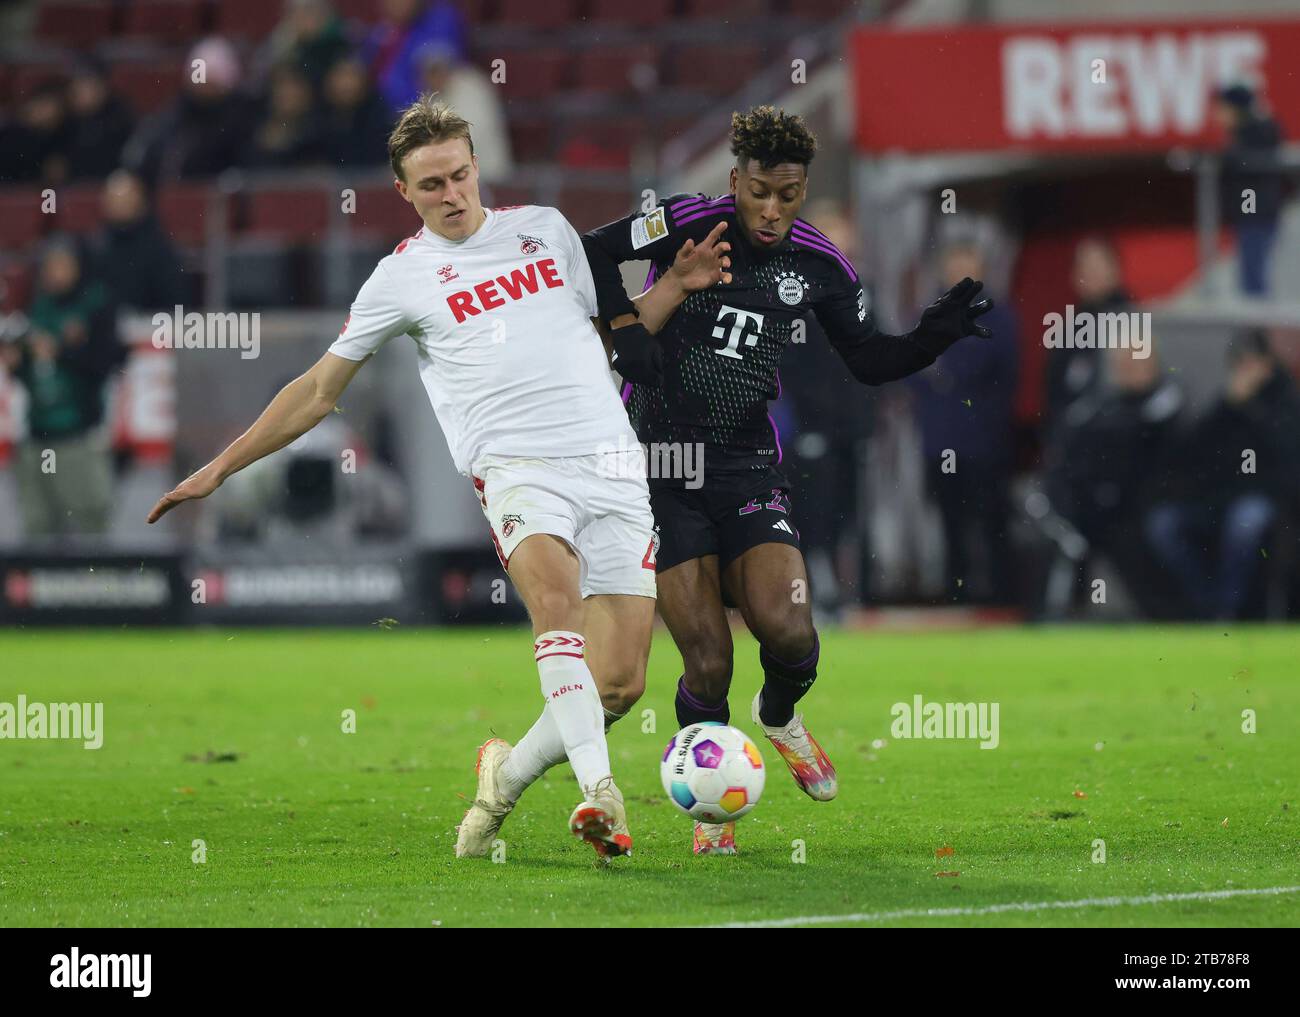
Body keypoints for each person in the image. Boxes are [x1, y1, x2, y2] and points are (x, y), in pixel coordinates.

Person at [145, 95, 728, 862]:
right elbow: (318, 390)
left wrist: (675, 287)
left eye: (458, 176)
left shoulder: (547, 232)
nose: (450, 195)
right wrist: (220, 467)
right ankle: (602, 795)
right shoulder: (402, 278)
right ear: (403, 191)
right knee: (554, 602)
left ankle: (504, 775)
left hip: (613, 465)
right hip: (517, 466)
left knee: (619, 683)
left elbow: (607, 338)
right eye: (431, 185)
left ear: (477, 167)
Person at [581, 105, 993, 854]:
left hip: (744, 463)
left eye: (790, 194)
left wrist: (936, 331)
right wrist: (626, 333)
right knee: (707, 654)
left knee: (792, 628)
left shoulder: (820, 263)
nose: (772, 210)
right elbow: (591, 251)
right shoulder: (681, 220)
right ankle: (712, 815)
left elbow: (868, 360)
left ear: (804, 189)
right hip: (659, 465)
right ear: (736, 179)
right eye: (761, 190)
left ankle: (779, 717)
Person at [1145, 331, 1300, 619]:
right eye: (1240, 364)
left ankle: (1231, 609)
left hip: (1267, 501)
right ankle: (1208, 603)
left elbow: (1286, 457)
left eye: (1253, 363)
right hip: (1216, 501)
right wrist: (1227, 405)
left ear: (1269, 364)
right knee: (1164, 525)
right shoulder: (1223, 406)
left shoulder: (1286, 404)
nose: (1246, 372)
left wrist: (1251, 408)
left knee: (1246, 522)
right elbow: (1191, 452)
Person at [908, 239, 1018, 604]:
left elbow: (1000, 375)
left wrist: (945, 374)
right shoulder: (927, 317)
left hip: (984, 443)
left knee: (991, 524)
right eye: (954, 265)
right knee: (950, 523)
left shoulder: (999, 318)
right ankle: (960, 597)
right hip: (939, 441)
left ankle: (1001, 597)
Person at [3, 236, 124, 538]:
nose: (55, 273)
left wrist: (62, 351)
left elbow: (107, 361)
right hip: (36, 438)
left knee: (90, 532)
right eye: (50, 266)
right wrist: (18, 361)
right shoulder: (36, 306)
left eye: (62, 265)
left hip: (79, 438)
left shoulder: (96, 303)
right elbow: (29, 373)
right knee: (37, 529)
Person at [1215, 83, 1283, 297]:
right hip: (1252, 212)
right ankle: (1256, 324)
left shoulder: (1255, 132)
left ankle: (1258, 326)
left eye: (1223, 108)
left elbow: (1245, 166)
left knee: (1253, 275)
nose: (1218, 114)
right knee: (1250, 273)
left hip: (1256, 212)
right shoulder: (1245, 133)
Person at [92, 169, 189, 312]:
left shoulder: (159, 248)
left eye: (125, 199)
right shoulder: (96, 246)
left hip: (151, 324)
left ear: (140, 200)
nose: (119, 206)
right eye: (114, 200)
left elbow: (175, 298)